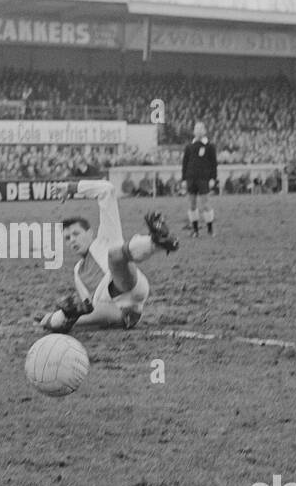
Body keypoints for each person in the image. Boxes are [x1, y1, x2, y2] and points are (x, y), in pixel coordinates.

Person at [38, 179, 178, 333]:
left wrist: (70, 188)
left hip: (130, 286)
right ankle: (60, 318)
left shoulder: (106, 238)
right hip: (115, 313)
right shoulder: (77, 271)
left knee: (114, 254)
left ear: (90, 233)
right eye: (67, 238)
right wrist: (64, 314)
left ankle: (156, 241)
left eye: (76, 234)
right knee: (54, 322)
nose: (72, 240)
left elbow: (107, 189)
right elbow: (89, 304)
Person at [181, 121, 218, 236]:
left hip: (203, 179)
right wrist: (183, 179)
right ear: (194, 131)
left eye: (201, 128)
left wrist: (213, 178)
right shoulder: (189, 147)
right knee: (192, 204)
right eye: (196, 128)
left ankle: (210, 229)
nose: (198, 130)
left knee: (206, 203)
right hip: (191, 178)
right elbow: (185, 163)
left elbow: (214, 163)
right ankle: (195, 230)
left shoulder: (210, 146)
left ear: (205, 131)